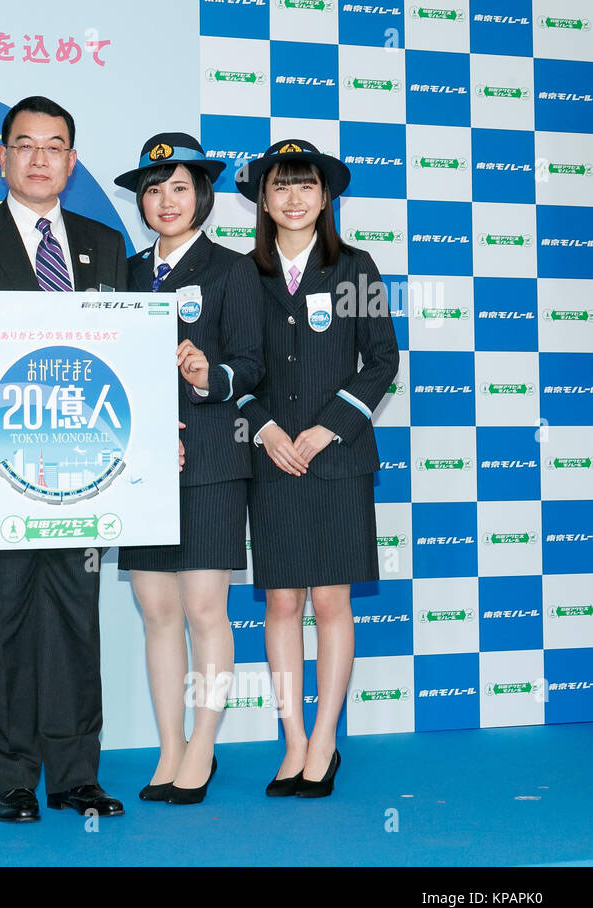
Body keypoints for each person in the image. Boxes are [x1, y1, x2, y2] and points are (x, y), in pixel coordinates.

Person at [0, 96, 128, 823]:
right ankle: (12, 779)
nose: (40, 158)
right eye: (25, 145)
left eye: (55, 146)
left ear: (72, 163)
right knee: (2, 617)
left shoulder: (106, 246)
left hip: (82, 465)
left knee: (76, 619)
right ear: (1, 159)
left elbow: (128, 357)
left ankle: (77, 775)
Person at [234, 140, 398, 798]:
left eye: (306, 187)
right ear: (263, 199)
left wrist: (326, 431)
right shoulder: (243, 275)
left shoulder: (355, 268)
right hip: (271, 459)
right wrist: (269, 430)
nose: (294, 199)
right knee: (281, 602)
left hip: (338, 462)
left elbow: (382, 362)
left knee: (331, 602)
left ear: (327, 198)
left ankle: (325, 740)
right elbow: (232, 373)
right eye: (281, 187)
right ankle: (292, 739)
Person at [112, 133, 264, 805]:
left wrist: (211, 377)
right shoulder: (122, 272)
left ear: (202, 195)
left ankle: (203, 743)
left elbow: (254, 363)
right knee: (157, 611)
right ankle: (168, 744)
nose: (165, 201)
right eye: (153, 189)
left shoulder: (233, 270)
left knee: (206, 609)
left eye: (178, 187)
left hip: (210, 459)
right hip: (140, 465)